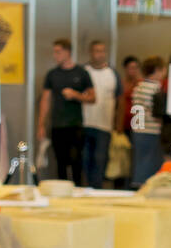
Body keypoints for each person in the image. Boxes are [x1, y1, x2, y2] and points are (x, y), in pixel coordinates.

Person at [37, 38, 94, 186]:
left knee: (76, 162)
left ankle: (78, 190)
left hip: (75, 124)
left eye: (58, 52)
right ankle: (62, 192)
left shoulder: (81, 73)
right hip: (57, 125)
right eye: (54, 52)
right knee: (60, 162)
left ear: (68, 52)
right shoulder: (52, 74)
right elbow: (45, 100)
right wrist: (41, 125)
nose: (55, 55)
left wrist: (76, 95)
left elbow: (93, 97)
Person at [81, 40, 120, 190]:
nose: (99, 54)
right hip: (85, 122)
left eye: (102, 51)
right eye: (96, 51)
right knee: (85, 159)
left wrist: (117, 124)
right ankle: (86, 189)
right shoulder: (84, 71)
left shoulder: (112, 73)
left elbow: (120, 99)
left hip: (105, 124)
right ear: (90, 52)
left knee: (100, 159)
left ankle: (97, 188)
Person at [129, 57, 167, 188]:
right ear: (156, 71)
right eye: (162, 70)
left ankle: (136, 182)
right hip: (151, 129)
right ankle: (144, 185)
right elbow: (158, 112)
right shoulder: (154, 89)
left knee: (139, 159)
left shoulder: (138, 87)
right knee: (151, 161)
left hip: (137, 128)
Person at [119, 56, 142, 134]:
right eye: (131, 68)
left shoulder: (141, 85)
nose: (134, 71)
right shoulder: (120, 84)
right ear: (125, 69)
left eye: (136, 68)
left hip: (136, 124)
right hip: (122, 123)